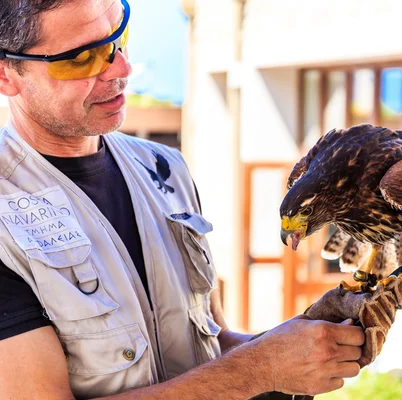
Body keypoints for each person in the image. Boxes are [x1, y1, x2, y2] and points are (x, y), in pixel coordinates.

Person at [0, 0, 365, 398]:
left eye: (119, 40)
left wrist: (311, 343)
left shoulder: (164, 168)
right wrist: (261, 367)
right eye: (82, 58)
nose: (121, 69)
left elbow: (213, 345)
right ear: (6, 75)